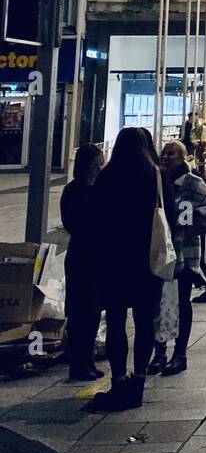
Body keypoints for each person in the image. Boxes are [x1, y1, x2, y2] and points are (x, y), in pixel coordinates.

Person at [85, 126, 178, 412]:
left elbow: (95, 219)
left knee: (115, 321)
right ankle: (138, 382)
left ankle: (118, 380)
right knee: (144, 321)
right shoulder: (158, 176)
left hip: (113, 261)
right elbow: (170, 216)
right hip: (146, 260)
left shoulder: (108, 177)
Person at [147, 141, 206, 376]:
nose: (166, 157)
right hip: (161, 252)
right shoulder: (159, 181)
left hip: (184, 253)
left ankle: (180, 353)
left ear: (182, 158)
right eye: (164, 153)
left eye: (171, 153)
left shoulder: (192, 183)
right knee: (159, 303)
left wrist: (189, 226)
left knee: (180, 301)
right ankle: (159, 351)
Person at [60, 143, 105, 381]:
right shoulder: (74, 191)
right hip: (81, 256)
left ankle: (86, 359)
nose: (100, 169)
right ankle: (78, 362)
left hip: (95, 255)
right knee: (80, 311)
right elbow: (71, 222)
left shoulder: (97, 190)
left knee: (93, 310)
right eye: (98, 165)